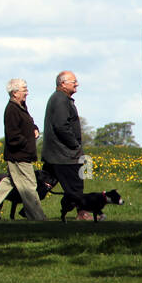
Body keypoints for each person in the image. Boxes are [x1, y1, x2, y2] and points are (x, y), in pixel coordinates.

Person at [0, 78, 47, 221]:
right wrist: (28, 141)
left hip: (22, 154)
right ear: (14, 93)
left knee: (10, 182)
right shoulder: (11, 110)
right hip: (19, 155)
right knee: (30, 185)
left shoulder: (21, 106)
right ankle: (38, 217)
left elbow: (29, 124)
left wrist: (35, 129)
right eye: (24, 90)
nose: (27, 92)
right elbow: (13, 136)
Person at [42, 70, 90, 220]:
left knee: (46, 183)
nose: (77, 84)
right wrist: (74, 145)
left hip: (55, 153)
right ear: (63, 84)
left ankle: (29, 209)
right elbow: (61, 126)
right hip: (64, 155)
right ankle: (82, 213)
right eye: (73, 82)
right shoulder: (61, 100)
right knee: (75, 185)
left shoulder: (59, 98)